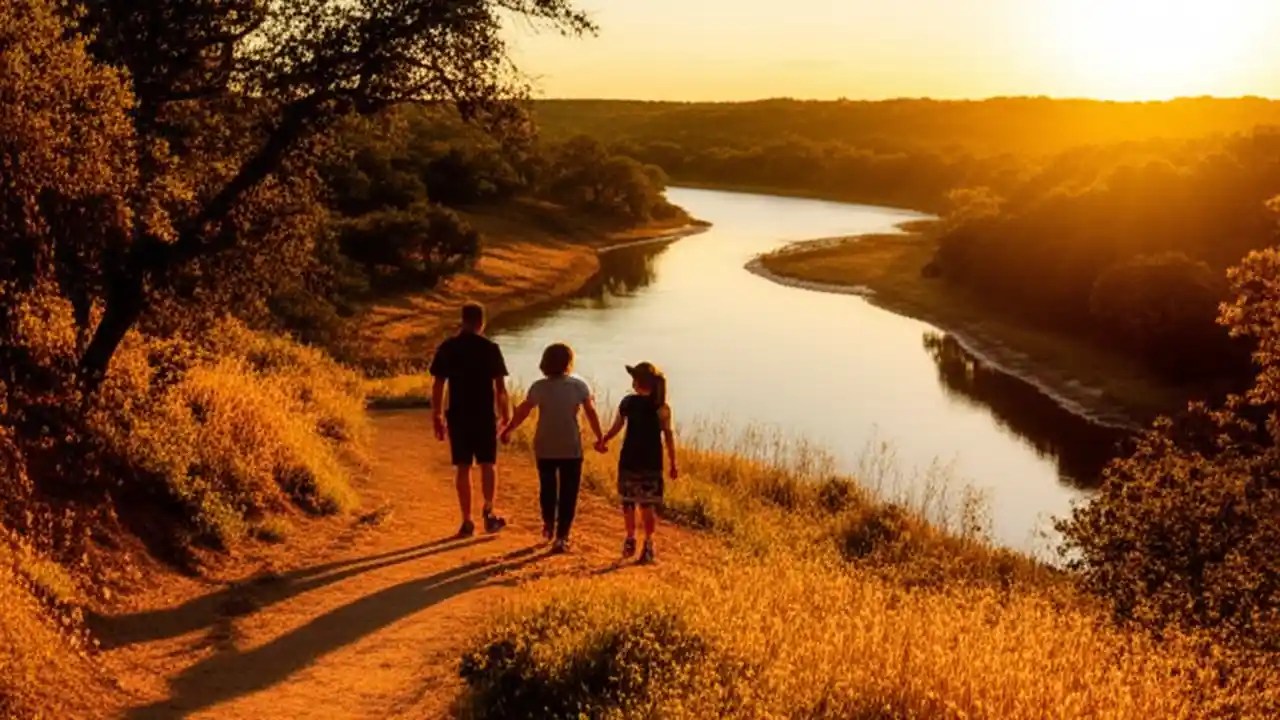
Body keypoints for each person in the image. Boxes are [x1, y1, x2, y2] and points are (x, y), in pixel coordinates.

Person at [500, 343, 604, 554]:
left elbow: (523, 410)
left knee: (547, 488)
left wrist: (508, 429)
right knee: (569, 492)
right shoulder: (579, 385)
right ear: (569, 363)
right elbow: (591, 412)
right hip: (570, 446)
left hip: (545, 445)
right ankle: (562, 536)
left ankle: (548, 524)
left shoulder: (539, 387)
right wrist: (600, 437)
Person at [430, 302, 511, 538]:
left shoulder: (448, 347)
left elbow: (438, 384)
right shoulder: (490, 348)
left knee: (462, 467)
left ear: (462, 320)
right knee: (488, 464)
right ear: (481, 322)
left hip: (458, 414)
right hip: (484, 414)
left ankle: (466, 520)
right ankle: (488, 511)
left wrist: (436, 414)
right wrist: (505, 416)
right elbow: (500, 389)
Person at [597, 362, 677, 564]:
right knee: (647, 505)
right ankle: (648, 543)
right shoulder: (662, 407)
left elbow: (617, 427)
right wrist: (673, 463)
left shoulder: (627, 403)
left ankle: (630, 537)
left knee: (628, 502)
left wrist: (604, 439)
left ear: (637, 382)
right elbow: (668, 436)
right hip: (652, 462)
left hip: (629, 459)